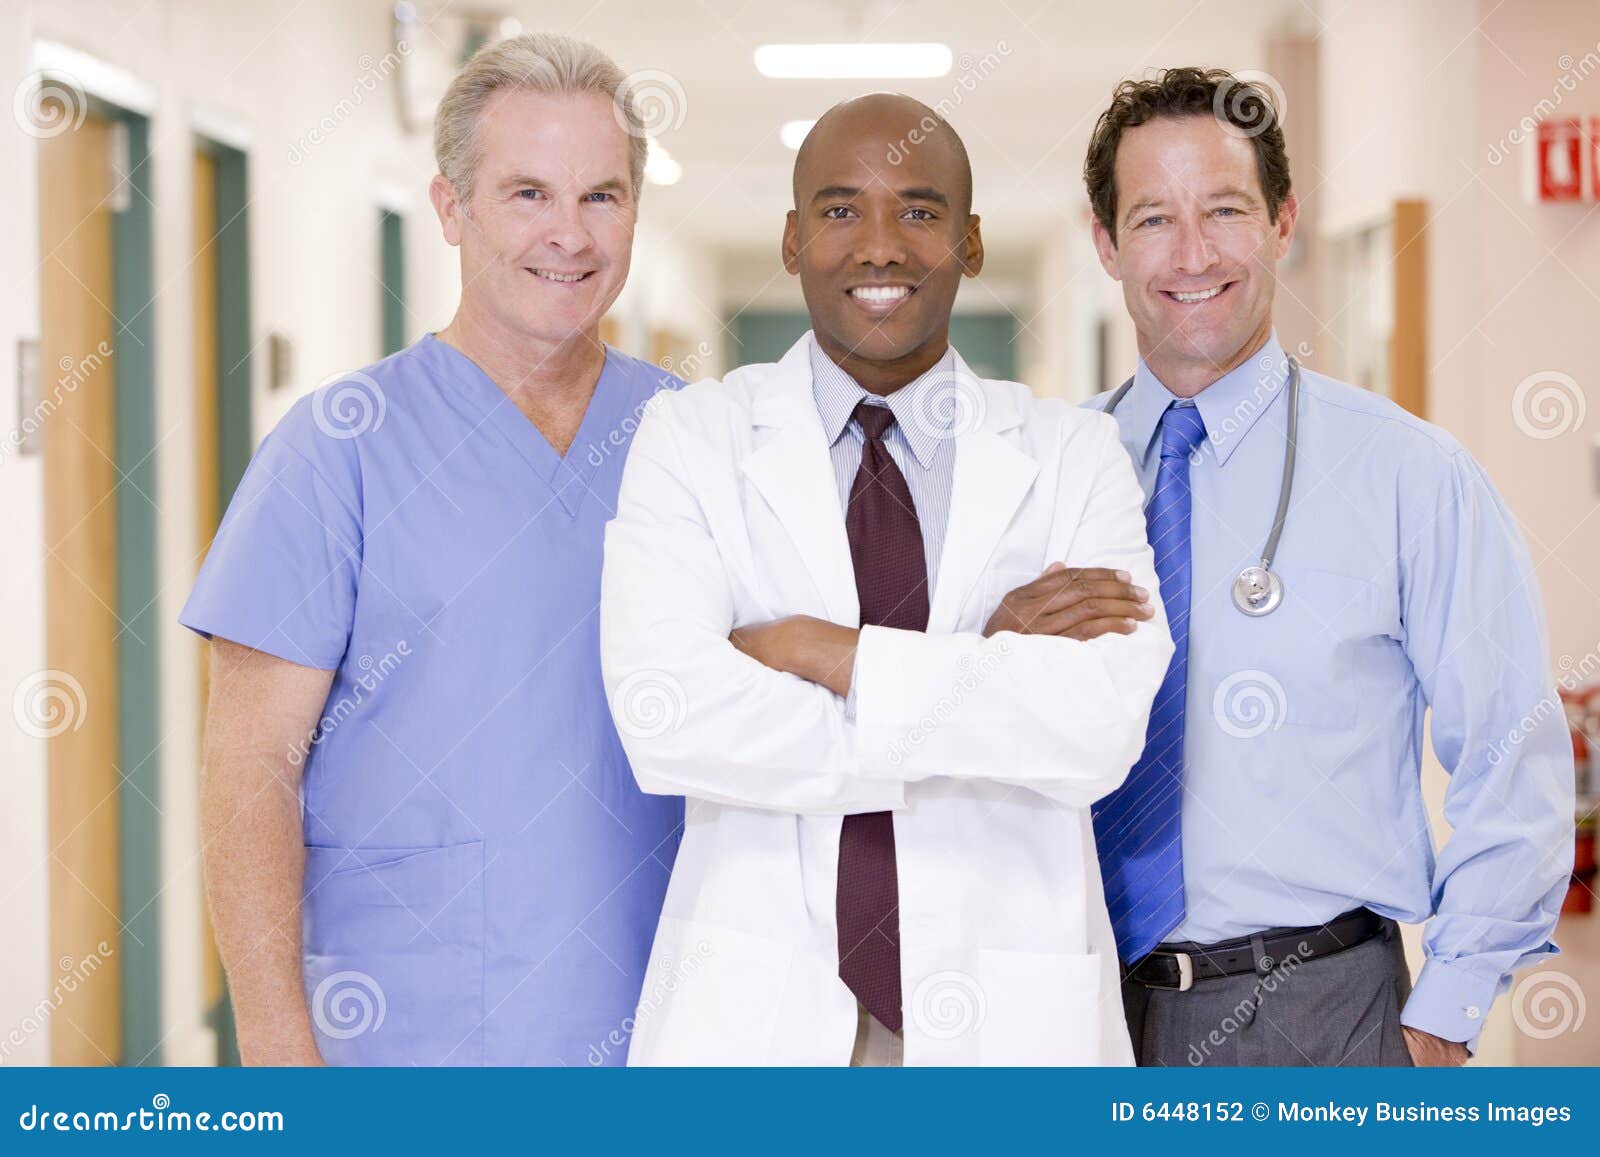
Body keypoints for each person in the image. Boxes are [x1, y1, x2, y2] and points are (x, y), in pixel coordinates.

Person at [600, 93, 1173, 1066]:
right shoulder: (690, 438)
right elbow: (666, 718)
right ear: (790, 240)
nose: (878, 245)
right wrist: (977, 674)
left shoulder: (1073, 452)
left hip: (1007, 1018)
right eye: (837, 210)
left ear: (971, 239)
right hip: (761, 1011)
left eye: (917, 209)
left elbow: (1097, 729)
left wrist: (824, 653)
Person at [181, 33, 683, 1066]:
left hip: (670, 1023)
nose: (569, 234)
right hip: (406, 1034)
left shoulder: (694, 440)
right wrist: (279, 1053)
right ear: (451, 209)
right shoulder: (339, 449)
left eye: (603, 195)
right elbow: (247, 770)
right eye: (527, 193)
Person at [1079, 66, 1574, 1066]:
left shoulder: (1405, 472)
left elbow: (1510, 751)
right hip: (1077, 1010)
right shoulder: (1053, 478)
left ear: (1282, 222)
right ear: (1104, 243)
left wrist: (1448, 1006)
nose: (1192, 253)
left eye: (1224, 209)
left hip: (1317, 1011)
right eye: (1152, 220)